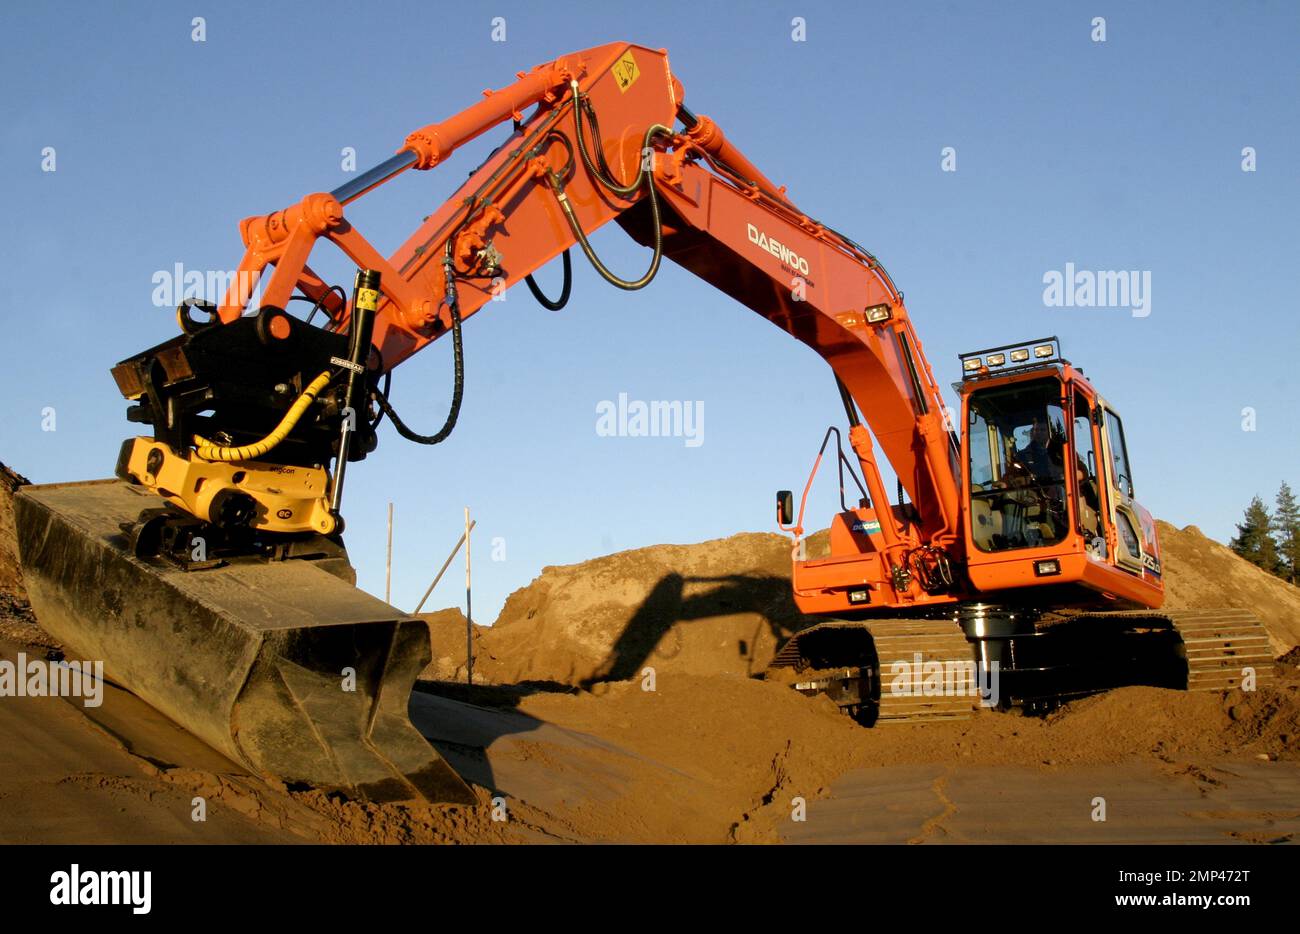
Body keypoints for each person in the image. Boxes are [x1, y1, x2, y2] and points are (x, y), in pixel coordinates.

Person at [1016, 417, 1063, 483]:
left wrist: (1066, 476)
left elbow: (1081, 470)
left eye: (1043, 430)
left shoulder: (1063, 450)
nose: (1039, 433)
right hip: (1034, 491)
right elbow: (1012, 475)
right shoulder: (1022, 455)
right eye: (1036, 430)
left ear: (1049, 432)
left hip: (1062, 489)